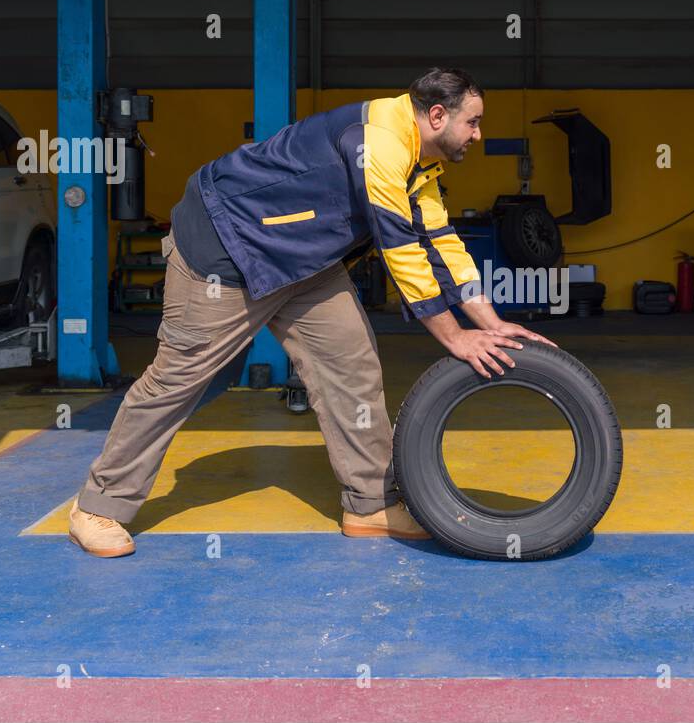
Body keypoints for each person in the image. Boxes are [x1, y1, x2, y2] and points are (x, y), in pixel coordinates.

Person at [68, 67, 554, 557]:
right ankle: (99, 505)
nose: (477, 134)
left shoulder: (419, 163)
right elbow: (402, 250)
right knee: (178, 378)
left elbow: (441, 243)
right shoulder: (381, 142)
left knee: (352, 367)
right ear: (436, 115)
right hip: (225, 248)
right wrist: (455, 337)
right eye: (472, 122)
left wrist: (489, 322)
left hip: (304, 260)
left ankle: (370, 504)